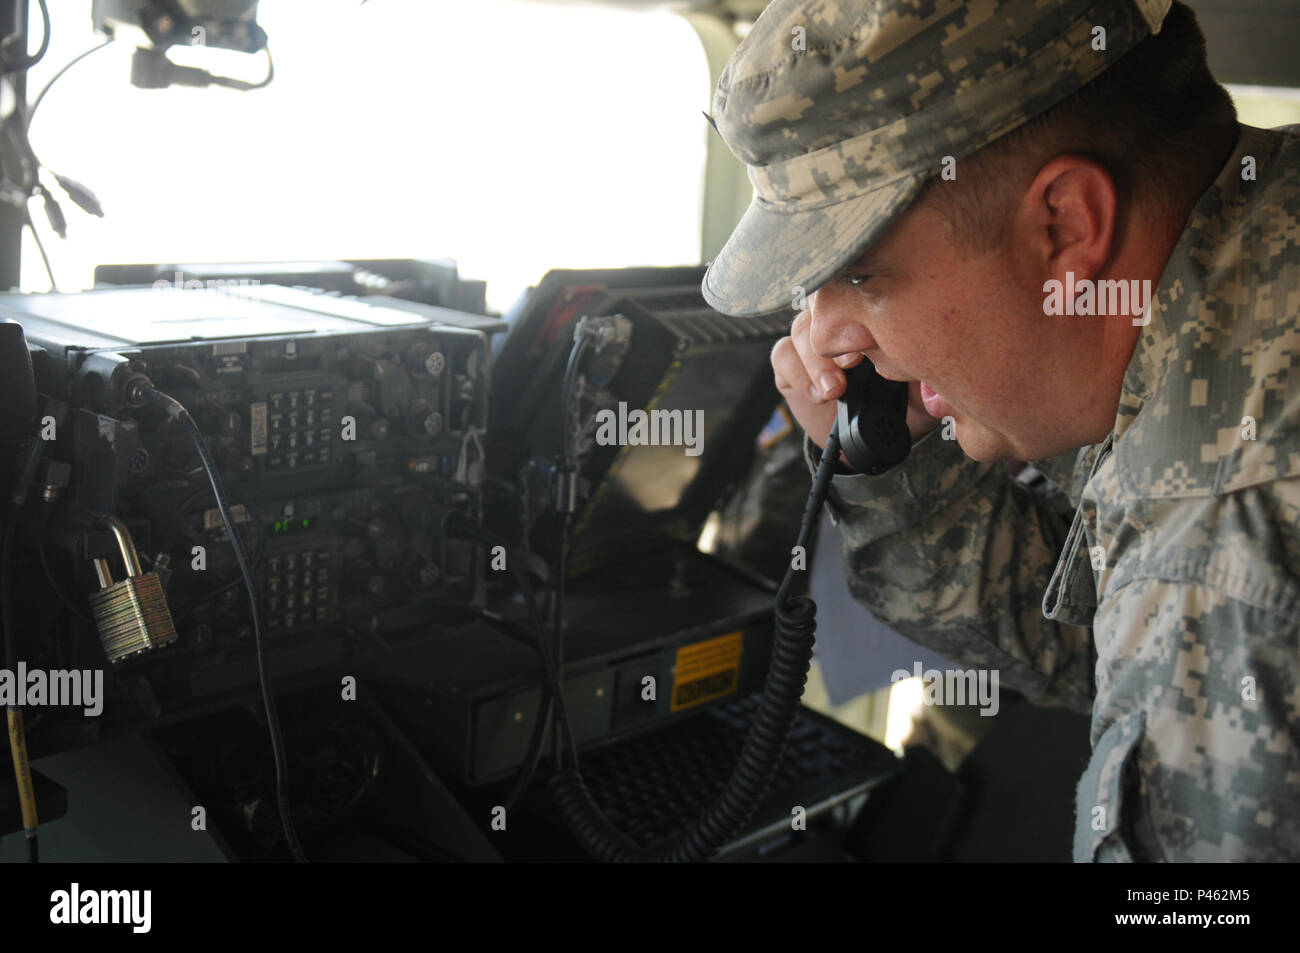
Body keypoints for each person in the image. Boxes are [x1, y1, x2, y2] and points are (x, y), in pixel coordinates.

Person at [701, 0, 1300, 861]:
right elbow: (1088, 637)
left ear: (1066, 225)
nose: (823, 334)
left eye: (861, 272)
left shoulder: (1218, 556)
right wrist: (894, 470)